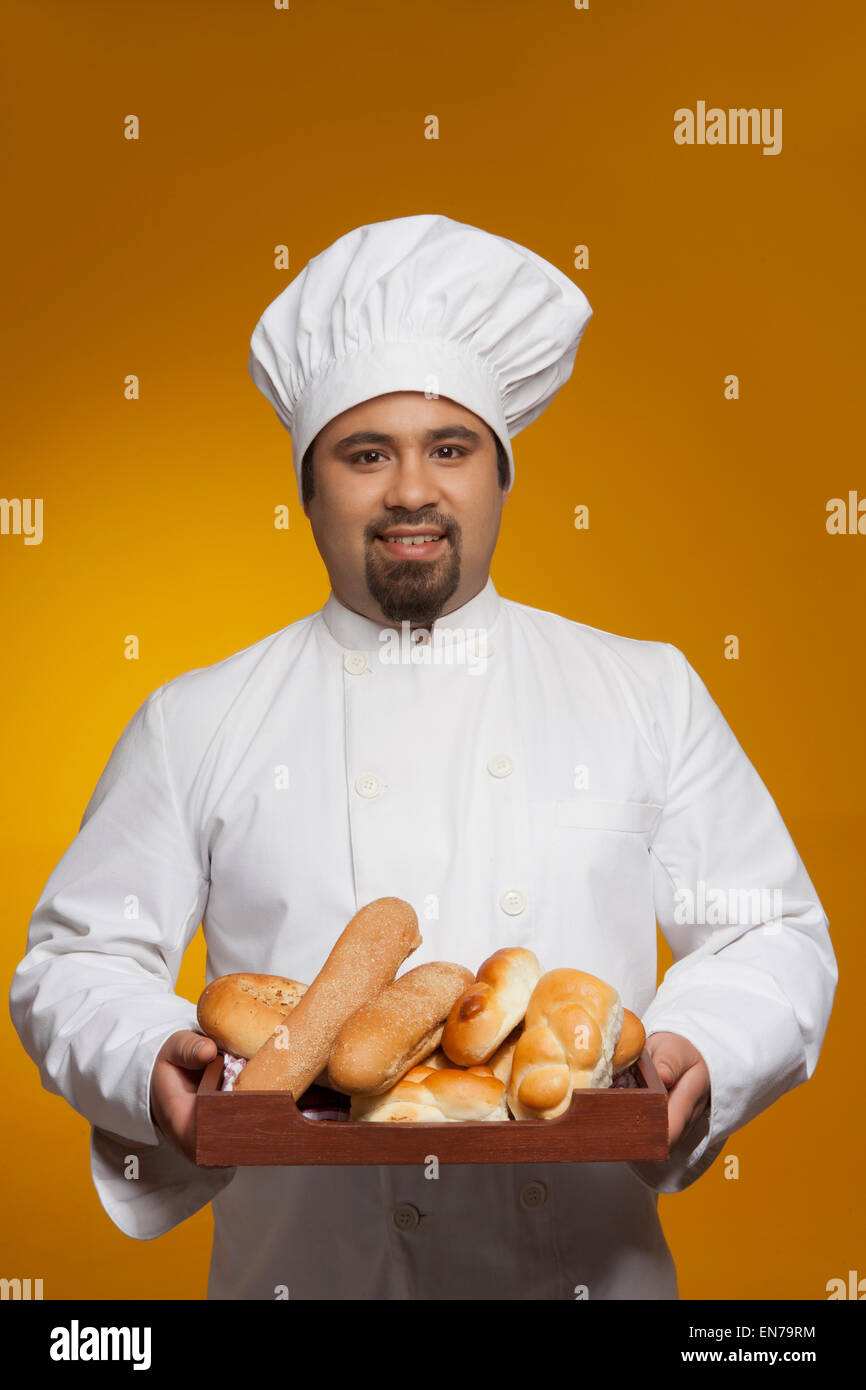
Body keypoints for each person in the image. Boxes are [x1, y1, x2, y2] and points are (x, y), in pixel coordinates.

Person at [10, 214, 837, 1300]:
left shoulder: (646, 690)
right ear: (307, 488)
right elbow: (75, 960)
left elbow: (769, 928)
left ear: (500, 478)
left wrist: (698, 1047)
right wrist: (154, 1056)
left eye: (448, 449)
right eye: (366, 454)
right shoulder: (195, 718)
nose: (410, 491)